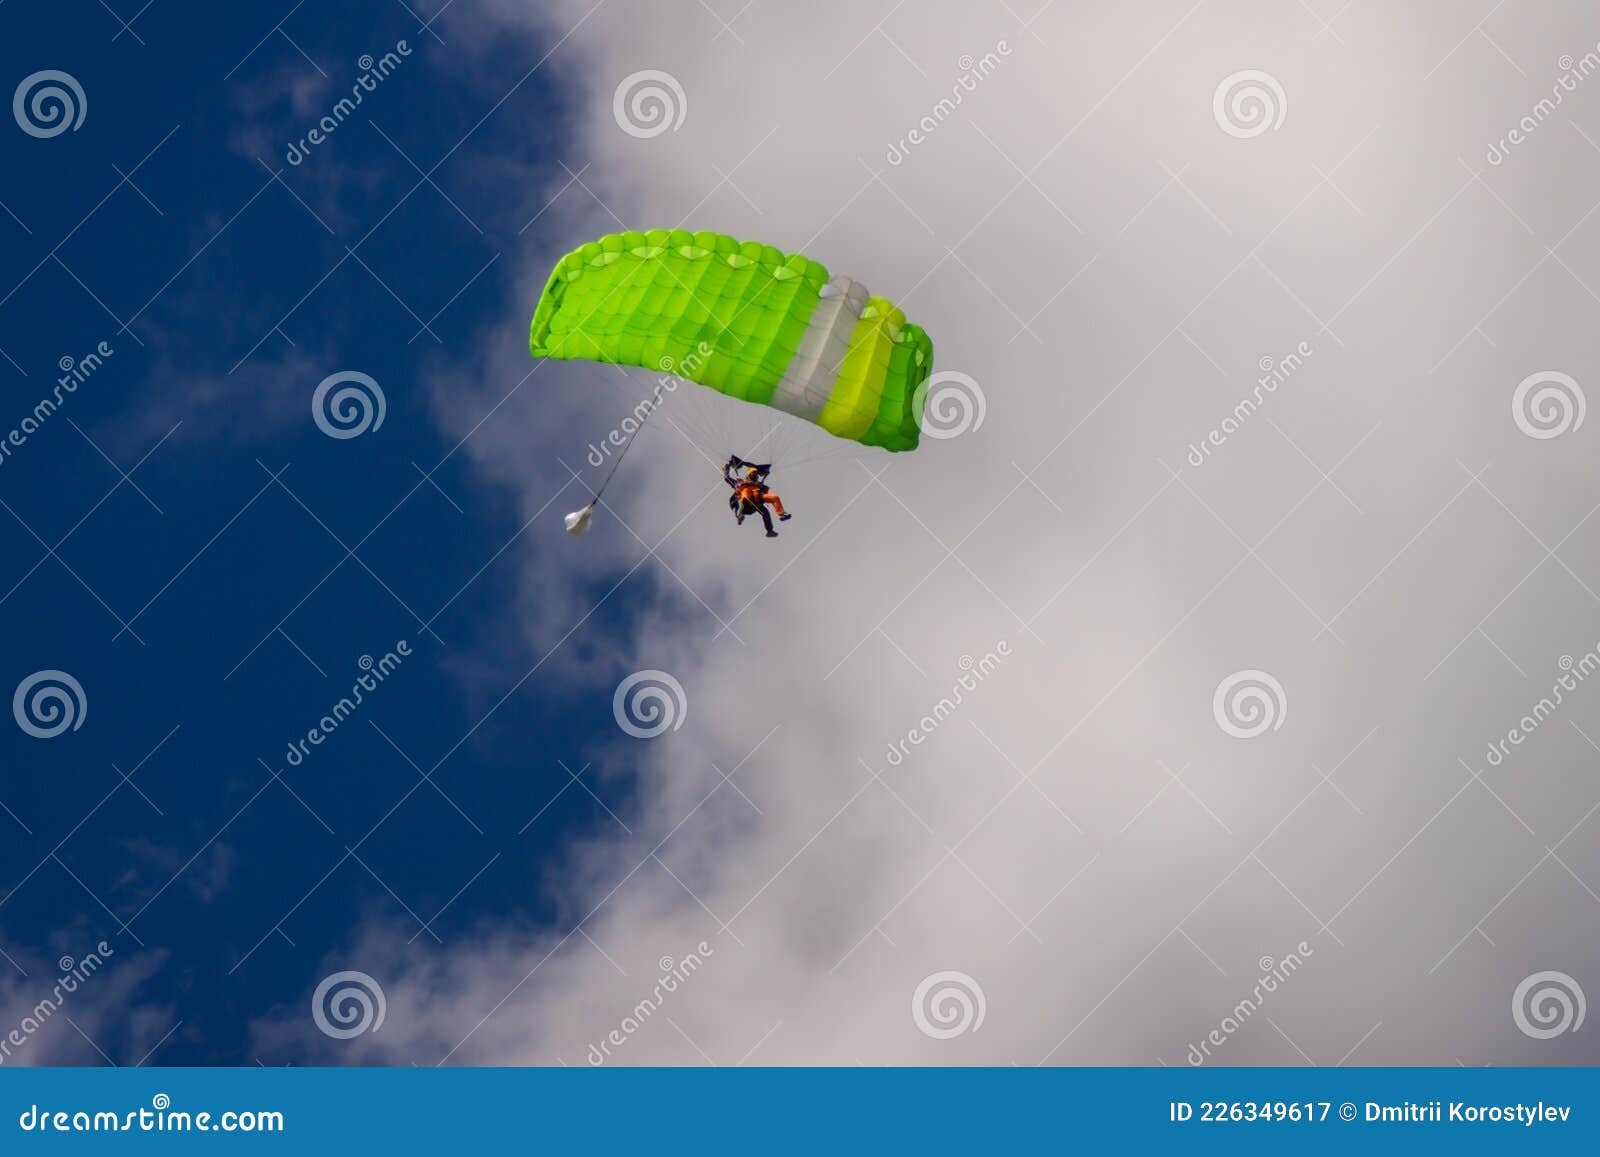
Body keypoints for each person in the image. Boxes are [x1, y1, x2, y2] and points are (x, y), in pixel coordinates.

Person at [724, 455, 792, 537]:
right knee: (746, 491)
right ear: (749, 475)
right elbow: (727, 479)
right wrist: (726, 470)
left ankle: (779, 517)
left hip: (755, 504)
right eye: (753, 474)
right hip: (744, 505)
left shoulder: (758, 485)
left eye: (756, 474)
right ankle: (739, 515)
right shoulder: (740, 483)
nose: (755, 476)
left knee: (774, 498)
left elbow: (763, 492)